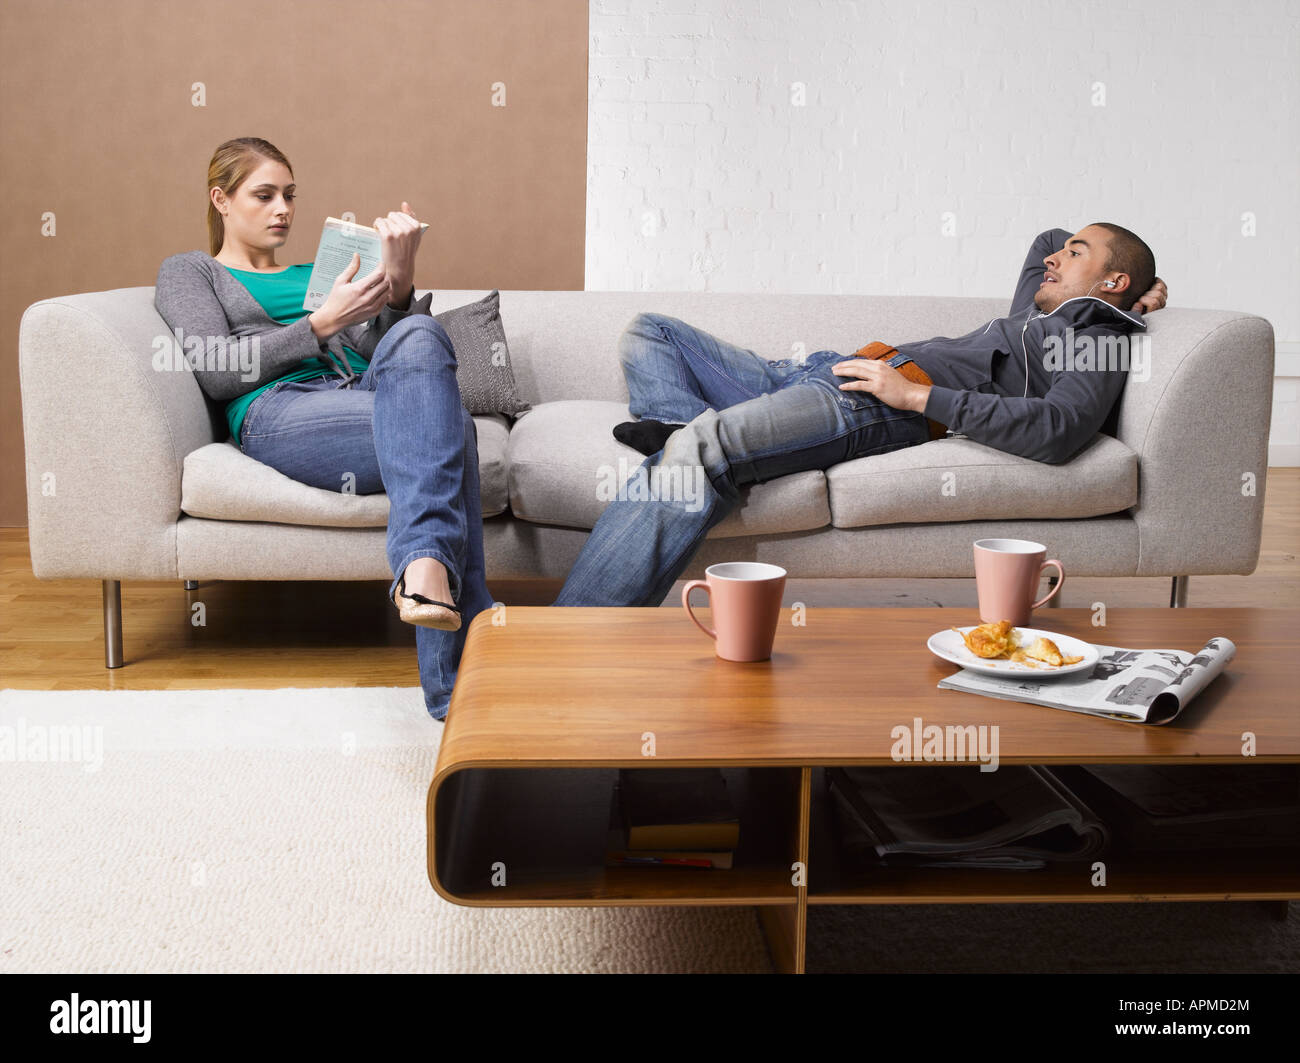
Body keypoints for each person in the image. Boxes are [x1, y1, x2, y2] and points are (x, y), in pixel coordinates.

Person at [554, 223, 1167, 608]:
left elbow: (1059, 432)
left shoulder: (1096, 336)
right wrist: (1134, 277)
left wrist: (913, 398)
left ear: (1111, 280)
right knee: (650, 330)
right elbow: (1043, 238)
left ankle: (564, 650)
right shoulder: (1038, 311)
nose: (1055, 257)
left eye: (1076, 252)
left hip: (869, 399)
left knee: (697, 454)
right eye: (1063, 252)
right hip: (822, 370)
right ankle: (679, 427)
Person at [154, 137, 492, 720]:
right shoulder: (192, 272)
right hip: (280, 410)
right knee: (452, 426)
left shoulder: (320, 271)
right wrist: (320, 323)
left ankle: (429, 588)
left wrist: (401, 280)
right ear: (222, 200)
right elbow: (215, 369)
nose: (283, 208)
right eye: (264, 195)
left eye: (289, 195)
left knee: (421, 334)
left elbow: (389, 350)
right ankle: (469, 643)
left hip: (366, 396)